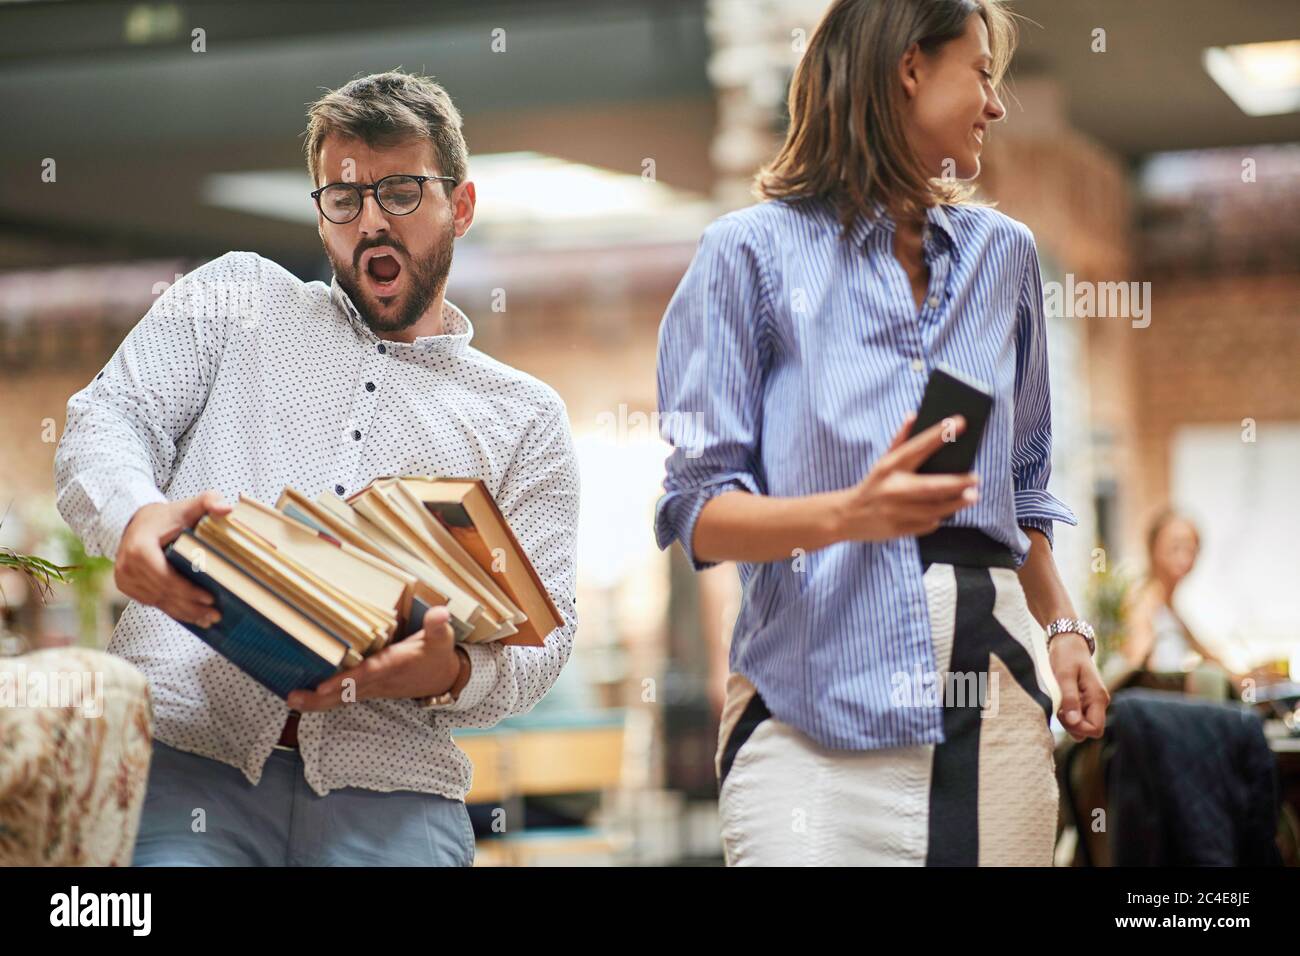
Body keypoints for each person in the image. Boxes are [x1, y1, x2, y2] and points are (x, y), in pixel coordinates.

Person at [53, 71, 579, 867]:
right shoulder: (237, 297)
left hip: (395, 795)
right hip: (179, 758)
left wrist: (450, 672)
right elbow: (108, 419)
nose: (370, 221)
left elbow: (550, 635)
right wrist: (133, 517)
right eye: (344, 198)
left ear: (460, 206)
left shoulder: (524, 417)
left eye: (400, 192)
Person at [655, 0, 1108, 866]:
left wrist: (1065, 632)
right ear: (910, 67)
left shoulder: (1001, 257)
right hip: (804, 718)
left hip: (989, 722)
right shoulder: (745, 255)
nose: (996, 102)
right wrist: (850, 513)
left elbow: (1024, 488)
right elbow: (699, 510)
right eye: (981, 72)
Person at [1120, 509, 1242, 687]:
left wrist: (1248, 677)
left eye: (1191, 549)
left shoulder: (1170, 608)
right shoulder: (1144, 602)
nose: (1184, 557)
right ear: (1153, 547)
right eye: (1175, 546)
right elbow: (1138, 669)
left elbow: (1209, 656)